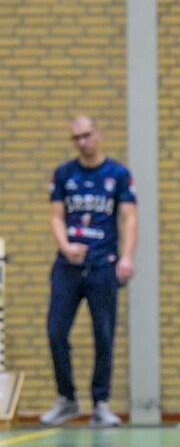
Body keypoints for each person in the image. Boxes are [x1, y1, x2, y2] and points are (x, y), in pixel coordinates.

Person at [40, 115, 136, 428]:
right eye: (76, 138)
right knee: (56, 331)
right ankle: (67, 398)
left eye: (87, 135)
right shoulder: (64, 174)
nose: (82, 142)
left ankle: (100, 403)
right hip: (67, 267)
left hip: (103, 266)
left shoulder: (118, 174)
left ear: (99, 133)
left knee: (103, 335)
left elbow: (129, 217)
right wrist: (65, 245)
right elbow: (56, 216)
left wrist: (127, 258)